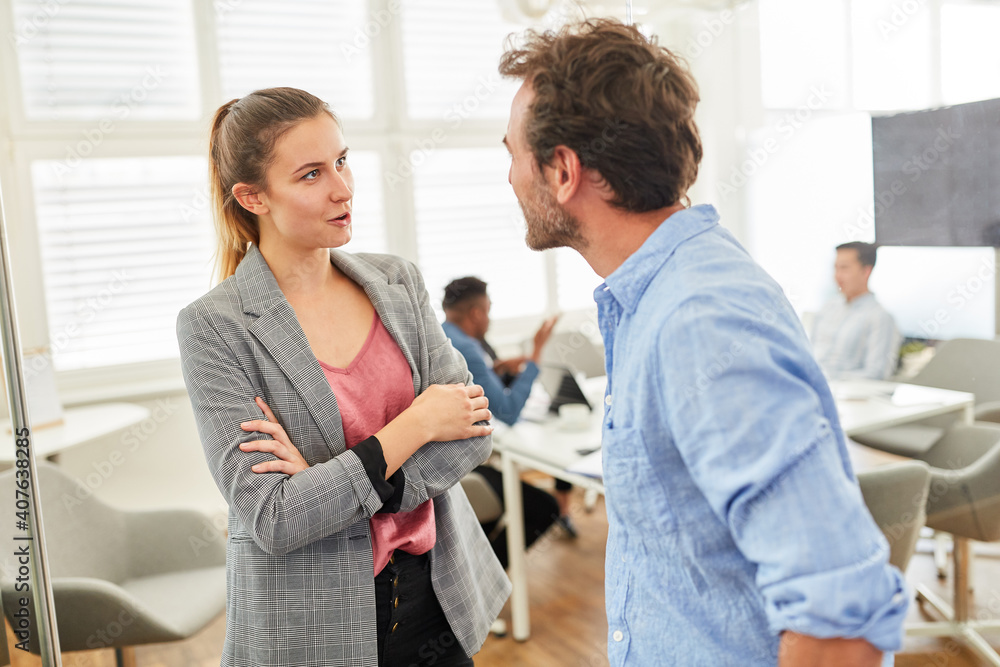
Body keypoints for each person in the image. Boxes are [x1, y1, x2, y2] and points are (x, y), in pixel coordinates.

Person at [499, 20, 907, 667]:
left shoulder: (700, 318)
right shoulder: (654, 297)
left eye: (513, 154)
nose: (510, 177)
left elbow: (840, 620)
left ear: (564, 169)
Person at [176, 87, 509, 667]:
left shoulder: (397, 282)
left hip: (437, 597)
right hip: (313, 622)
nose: (343, 188)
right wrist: (418, 424)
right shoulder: (214, 326)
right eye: (311, 174)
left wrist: (331, 482)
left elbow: (473, 431)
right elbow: (275, 516)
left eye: (342, 161)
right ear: (253, 196)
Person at [441, 277, 567, 560]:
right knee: (546, 508)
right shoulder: (469, 348)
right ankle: (486, 572)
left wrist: (496, 371)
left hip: (444, 464)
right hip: (464, 470)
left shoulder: (443, 335)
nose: (489, 318)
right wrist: (535, 355)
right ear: (477, 313)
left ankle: (476, 567)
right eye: (488, 310)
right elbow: (508, 412)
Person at [811, 242, 902, 380]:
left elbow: (876, 374)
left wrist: (827, 379)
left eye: (844, 268)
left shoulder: (880, 317)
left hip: (844, 390)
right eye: (836, 268)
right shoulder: (828, 308)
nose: (837, 276)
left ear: (866, 271)